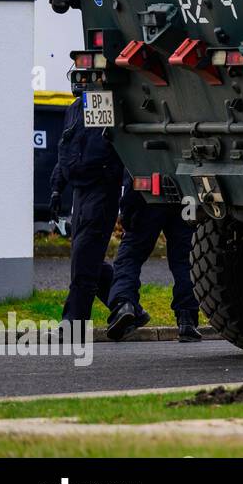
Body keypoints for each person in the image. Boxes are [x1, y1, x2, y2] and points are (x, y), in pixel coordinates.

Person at [51, 75, 124, 329]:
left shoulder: (102, 104)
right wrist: (56, 189)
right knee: (83, 257)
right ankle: (126, 304)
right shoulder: (74, 109)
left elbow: (111, 150)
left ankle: (74, 321)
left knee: (84, 256)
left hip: (101, 190)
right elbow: (65, 149)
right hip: (80, 192)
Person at [108, 171, 202, 342]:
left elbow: (133, 168)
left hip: (150, 190)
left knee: (130, 255)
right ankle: (187, 320)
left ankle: (124, 304)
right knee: (185, 259)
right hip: (185, 194)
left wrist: (127, 212)